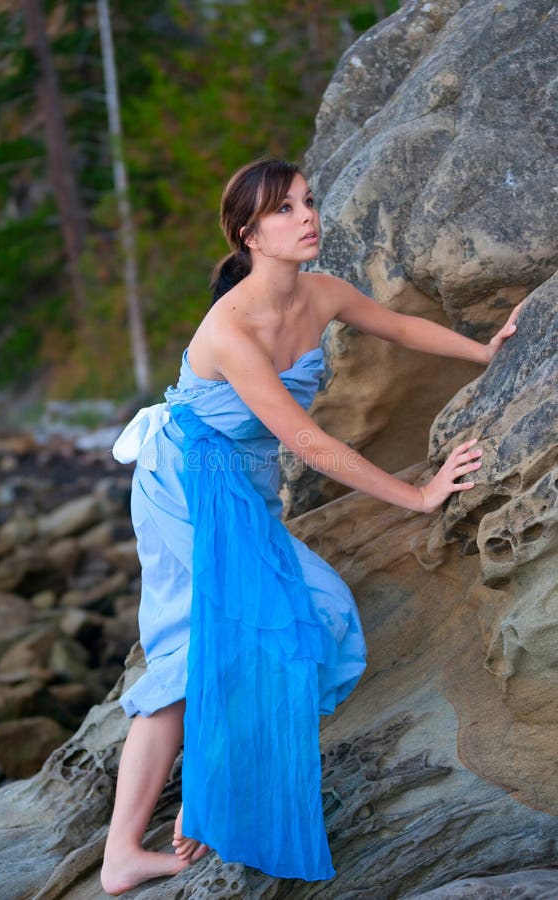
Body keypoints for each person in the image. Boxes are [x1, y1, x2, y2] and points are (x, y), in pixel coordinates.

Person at [100, 157, 520, 895]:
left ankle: (212, 793)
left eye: (308, 201)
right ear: (247, 235)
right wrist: (419, 496)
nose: (307, 216)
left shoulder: (322, 292)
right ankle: (123, 852)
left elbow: (400, 327)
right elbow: (310, 443)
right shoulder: (231, 328)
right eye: (285, 210)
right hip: (185, 485)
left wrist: (484, 352)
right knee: (195, 648)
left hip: (244, 489)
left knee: (319, 614)